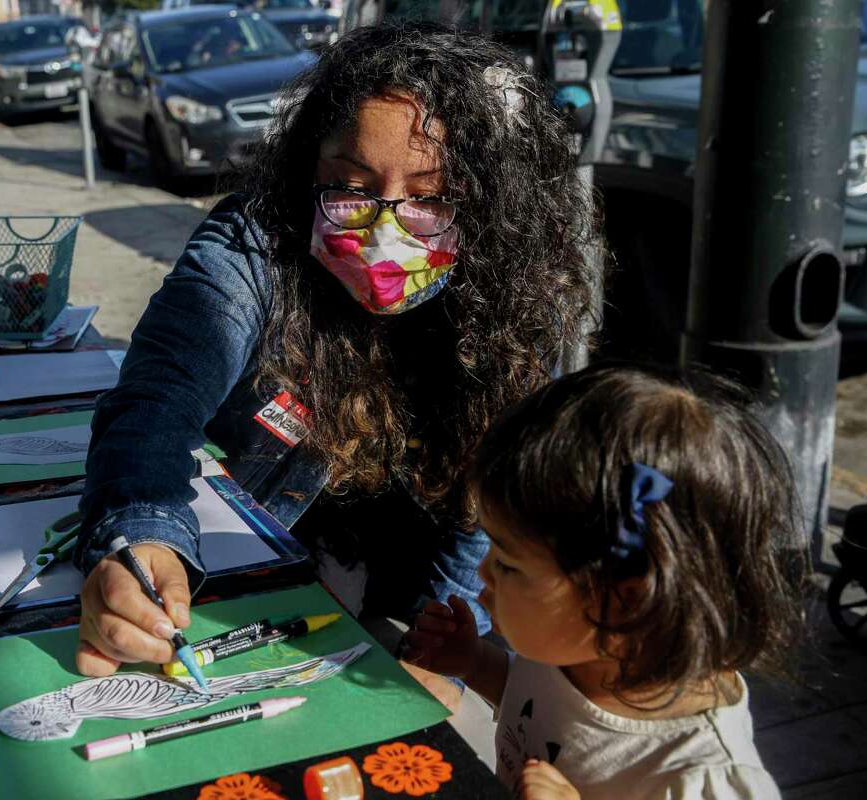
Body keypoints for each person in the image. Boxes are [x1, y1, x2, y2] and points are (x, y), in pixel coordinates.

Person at [69, 22, 595, 684]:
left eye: (430, 197)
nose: (385, 229)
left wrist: (450, 647)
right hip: (269, 569)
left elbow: (494, 495)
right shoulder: (252, 247)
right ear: (308, 169)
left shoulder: (510, 287)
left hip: (414, 580)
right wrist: (141, 538)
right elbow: (156, 399)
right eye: (351, 187)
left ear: (488, 204)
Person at [404, 363, 801, 799]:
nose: (482, 572)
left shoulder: (701, 778)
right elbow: (538, 704)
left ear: (624, 602)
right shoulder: (573, 646)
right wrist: (475, 663)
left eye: (508, 563)